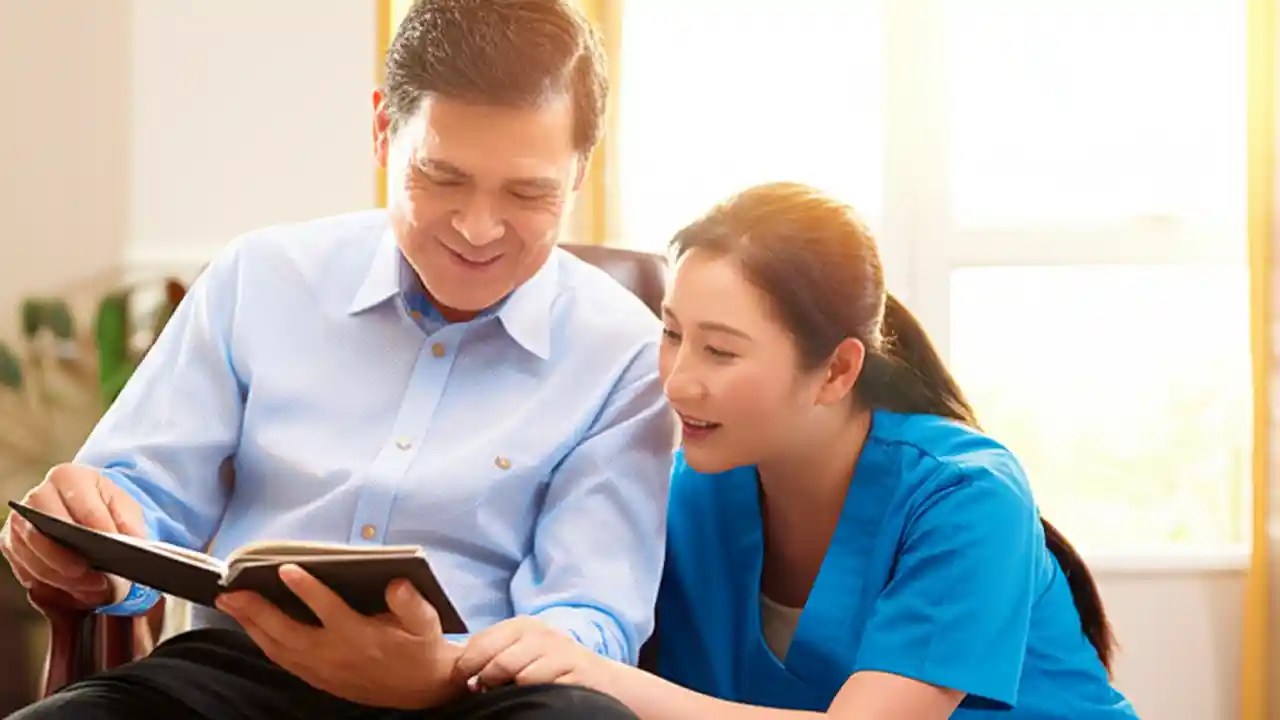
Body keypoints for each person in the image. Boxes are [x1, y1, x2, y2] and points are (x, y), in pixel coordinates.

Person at [0, 1, 673, 718]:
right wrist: (89, 543)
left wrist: (447, 671)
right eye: (442, 177)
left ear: (579, 173)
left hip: (477, 693)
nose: (478, 229)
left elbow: (589, 616)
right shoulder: (261, 277)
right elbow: (139, 503)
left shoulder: (624, 351)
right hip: (238, 673)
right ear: (383, 132)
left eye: (528, 192)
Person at [451, 182, 1141, 719]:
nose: (678, 380)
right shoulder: (686, 497)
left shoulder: (966, 496)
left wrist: (601, 678)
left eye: (721, 351)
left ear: (837, 370)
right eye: (672, 334)